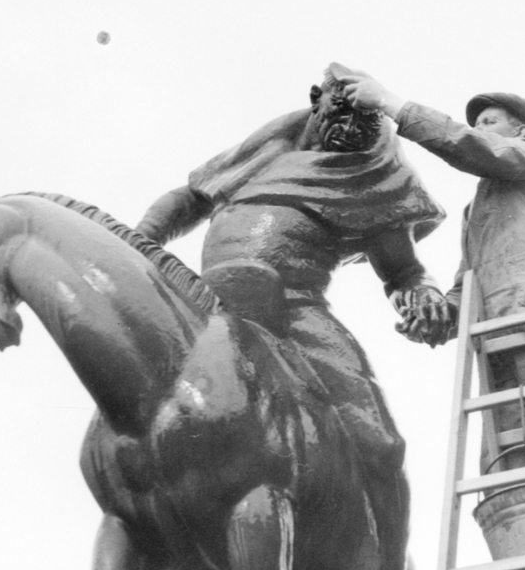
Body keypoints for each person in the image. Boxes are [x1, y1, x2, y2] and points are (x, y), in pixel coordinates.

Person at [331, 67, 525, 570]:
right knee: (515, 459)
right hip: (498, 339)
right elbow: (467, 282)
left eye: (492, 122)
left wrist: (392, 104)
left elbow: (461, 145)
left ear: (521, 134)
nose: (482, 129)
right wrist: (435, 317)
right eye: (480, 122)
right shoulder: (478, 211)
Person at [135, 69, 450, 479]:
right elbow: (190, 199)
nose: (353, 125)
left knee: (377, 439)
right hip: (206, 298)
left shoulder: (375, 173)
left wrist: (424, 295)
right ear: (316, 98)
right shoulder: (267, 150)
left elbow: (404, 270)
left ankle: (375, 533)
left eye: (367, 117)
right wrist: (139, 240)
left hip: (295, 310)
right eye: (342, 109)